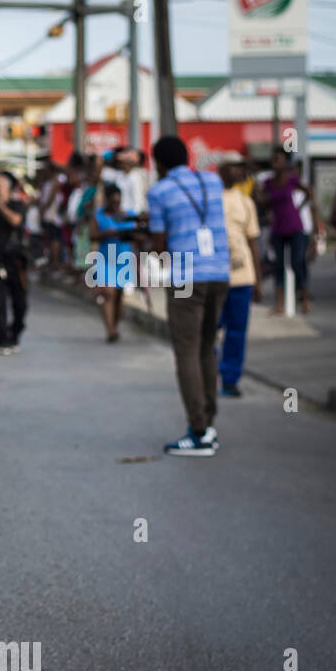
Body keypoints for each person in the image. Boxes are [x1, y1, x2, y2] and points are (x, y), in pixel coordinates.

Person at [147, 135, 230, 457]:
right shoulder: (212, 182)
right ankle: (208, 423)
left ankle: (198, 432)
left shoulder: (159, 191)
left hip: (186, 276)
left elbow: (159, 244)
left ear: (160, 164)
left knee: (186, 350)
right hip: (219, 272)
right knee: (207, 347)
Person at [217, 160, 262, 397]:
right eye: (233, 166)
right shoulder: (210, 199)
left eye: (240, 167)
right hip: (214, 277)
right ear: (222, 169)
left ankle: (230, 379)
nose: (238, 171)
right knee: (210, 328)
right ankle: (209, 369)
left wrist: (258, 280)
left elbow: (252, 241)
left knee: (237, 331)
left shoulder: (246, 202)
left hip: (242, 277)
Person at [261, 150, 317, 314]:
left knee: (297, 263)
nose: (275, 163)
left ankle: (305, 299)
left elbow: (309, 192)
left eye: (278, 160)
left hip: (294, 226)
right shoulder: (268, 183)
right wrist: (267, 206)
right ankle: (280, 304)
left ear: (285, 163)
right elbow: (266, 203)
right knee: (278, 266)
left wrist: (300, 207)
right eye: (274, 159)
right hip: (278, 227)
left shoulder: (292, 179)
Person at [88, 182, 142, 343]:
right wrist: (106, 233)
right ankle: (110, 330)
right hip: (106, 258)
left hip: (124, 259)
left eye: (117, 201)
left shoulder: (129, 215)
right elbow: (92, 235)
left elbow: (138, 238)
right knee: (108, 293)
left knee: (118, 295)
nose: (115, 204)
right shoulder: (99, 215)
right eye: (112, 201)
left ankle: (115, 326)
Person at [0, 171, 29, 354]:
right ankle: (2, 340)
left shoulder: (17, 204)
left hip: (16, 259)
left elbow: (15, 221)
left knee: (20, 303)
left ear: (9, 189)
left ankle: (15, 334)